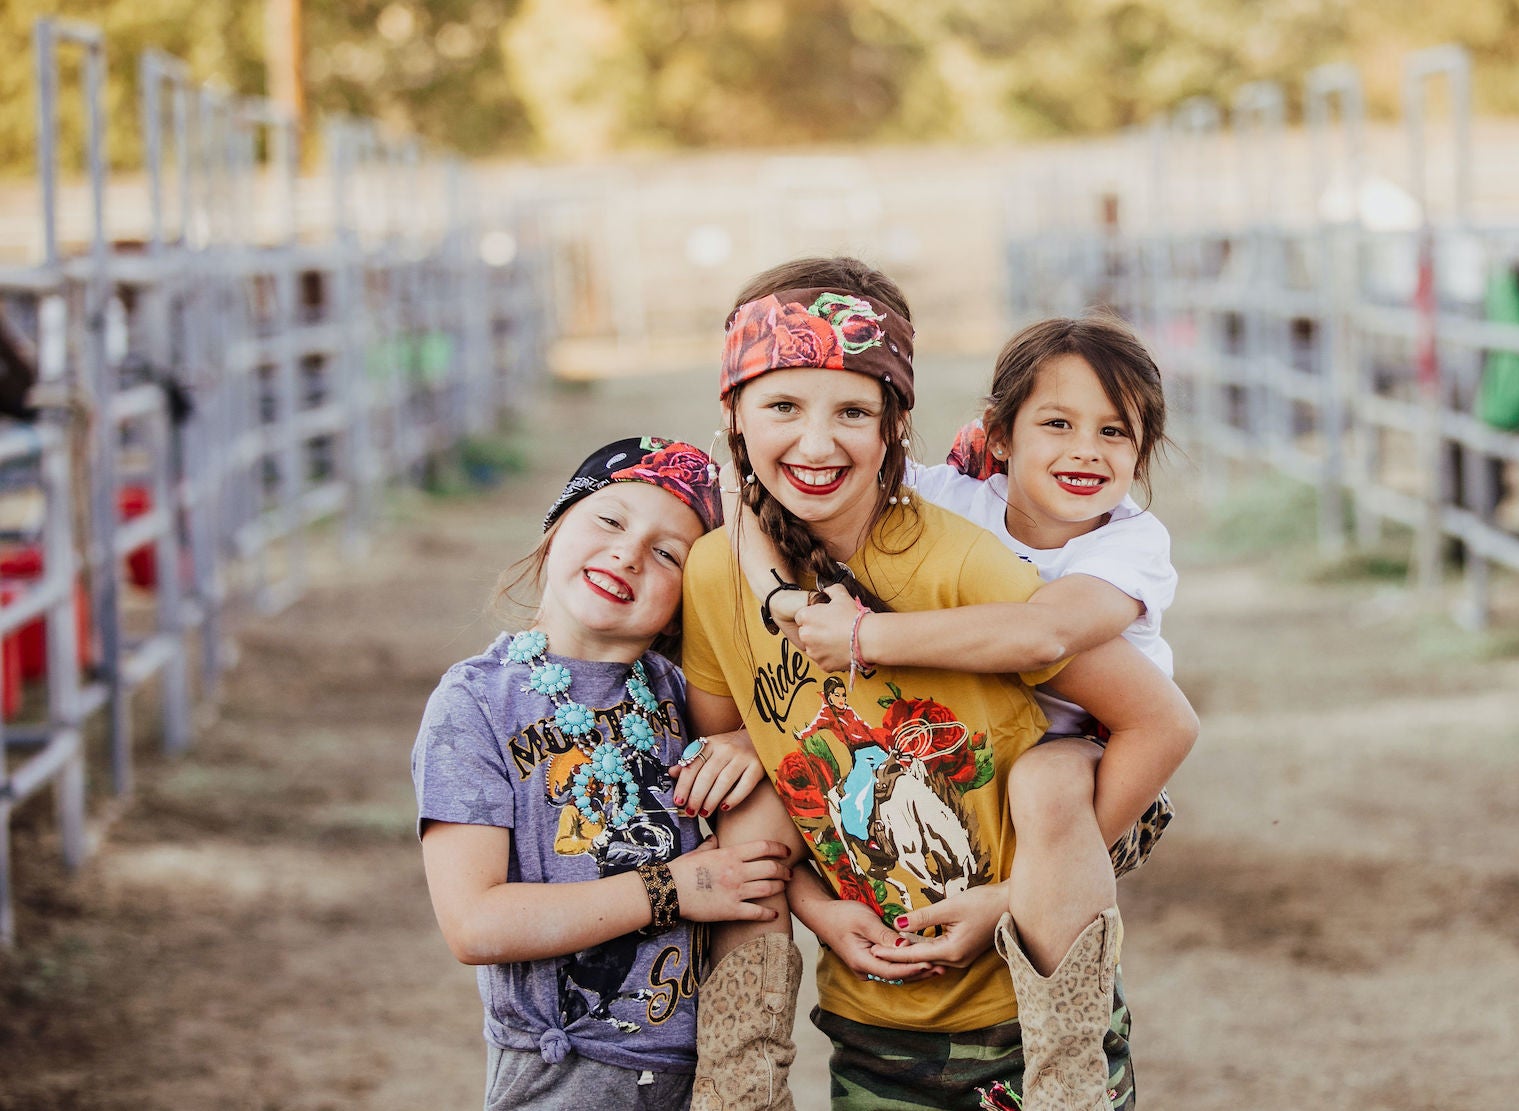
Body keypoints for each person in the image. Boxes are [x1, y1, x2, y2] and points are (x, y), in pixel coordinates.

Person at [678, 257, 1198, 1111]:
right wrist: (811, 894)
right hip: (872, 1017)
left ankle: (1068, 1087)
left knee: (1049, 783)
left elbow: (1122, 691)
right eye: (782, 406)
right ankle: (739, 1093)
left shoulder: (979, 555)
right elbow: (742, 504)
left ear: (894, 424)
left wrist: (864, 637)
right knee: (745, 795)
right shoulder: (726, 567)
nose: (817, 443)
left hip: (1064, 854)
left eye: (853, 411)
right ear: (732, 416)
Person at [768, 312, 1180, 974]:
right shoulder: (947, 501)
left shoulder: (1130, 544)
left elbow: (1044, 634)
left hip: (1089, 761)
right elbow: (818, 499)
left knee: (1045, 783)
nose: (1086, 450)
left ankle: (1063, 1014)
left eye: (1114, 431)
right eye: (1058, 423)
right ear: (1000, 435)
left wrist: (865, 636)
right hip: (974, 738)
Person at [411, 438, 804, 1111]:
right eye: (611, 521)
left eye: (667, 554)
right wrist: (673, 889)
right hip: (562, 1077)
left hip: (705, 1077)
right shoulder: (475, 703)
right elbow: (474, 922)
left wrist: (751, 740)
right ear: (556, 526)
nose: (627, 554)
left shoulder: (683, 697)